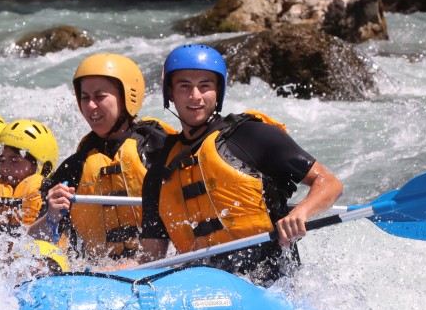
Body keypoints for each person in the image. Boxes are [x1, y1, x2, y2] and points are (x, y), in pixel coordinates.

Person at [135, 44, 344, 285]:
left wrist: (301, 212)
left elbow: (329, 183)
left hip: (269, 285)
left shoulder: (251, 136)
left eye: (205, 86)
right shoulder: (159, 171)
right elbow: (151, 258)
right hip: (200, 290)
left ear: (218, 92)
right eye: (184, 86)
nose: (195, 96)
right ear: (170, 93)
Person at [37, 53, 175, 263]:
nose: (91, 106)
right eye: (85, 98)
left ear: (127, 96)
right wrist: (51, 217)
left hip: (157, 272)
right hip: (98, 278)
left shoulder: (159, 149)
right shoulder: (76, 165)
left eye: (100, 97)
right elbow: (32, 243)